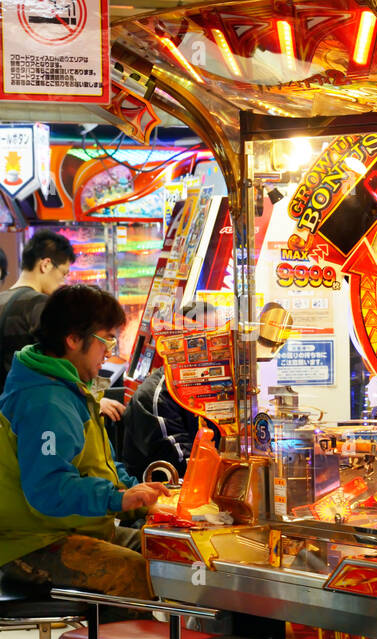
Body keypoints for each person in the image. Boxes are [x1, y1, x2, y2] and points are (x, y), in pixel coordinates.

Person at [0, 284, 166, 601]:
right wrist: (118, 499)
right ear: (74, 339)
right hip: (32, 541)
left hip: (77, 529)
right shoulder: (46, 401)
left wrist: (140, 498)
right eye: (106, 340)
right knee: (139, 574)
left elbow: (99, 465)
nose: (109, 351)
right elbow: (47, 490)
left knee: (173, 556)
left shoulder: (69, 387)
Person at [0, 231, 124, 421]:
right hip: (36, 411)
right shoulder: (42, 306)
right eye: (63, 273)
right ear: (46, 264)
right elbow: (59, 365)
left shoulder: (2, 299)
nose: (63, 281)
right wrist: (92, 399)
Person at [119, 302, 216, 482]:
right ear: (182, 340)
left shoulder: (212, 386)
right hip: (156, 500)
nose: (218, 347)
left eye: (221, 338)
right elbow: (184, 466)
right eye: (208, 338)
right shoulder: (156, 396)